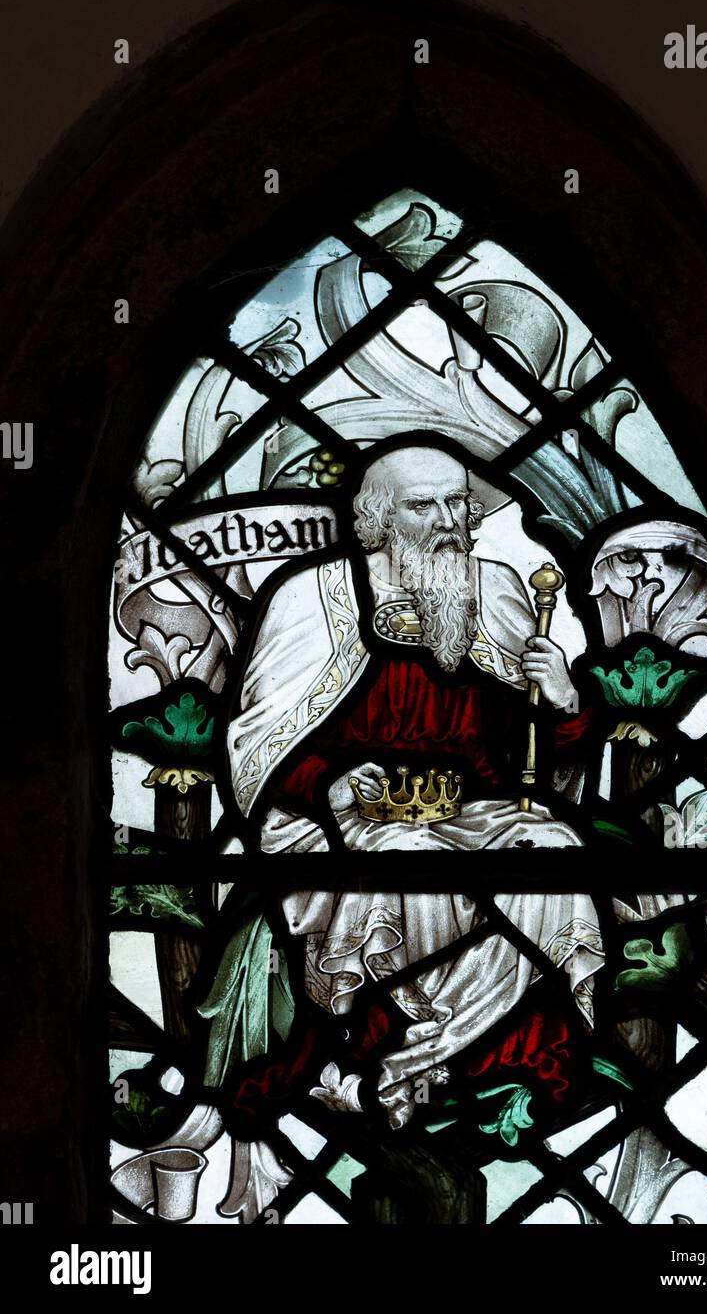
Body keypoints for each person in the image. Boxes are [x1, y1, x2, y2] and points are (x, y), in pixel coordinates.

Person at [227, 445, 604, 1127]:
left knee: (552, 849)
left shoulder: (495, 592)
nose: (445, 520)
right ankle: (411, 1054)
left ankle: (451, 1053)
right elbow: (259, 742)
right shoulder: (311, 597)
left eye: (457, 503)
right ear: (378, 517)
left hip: (471, 809)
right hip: (339, 818)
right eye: (420, 505)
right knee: (410, 862)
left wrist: (562, 701)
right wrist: (328, 782)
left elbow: (532, 758)